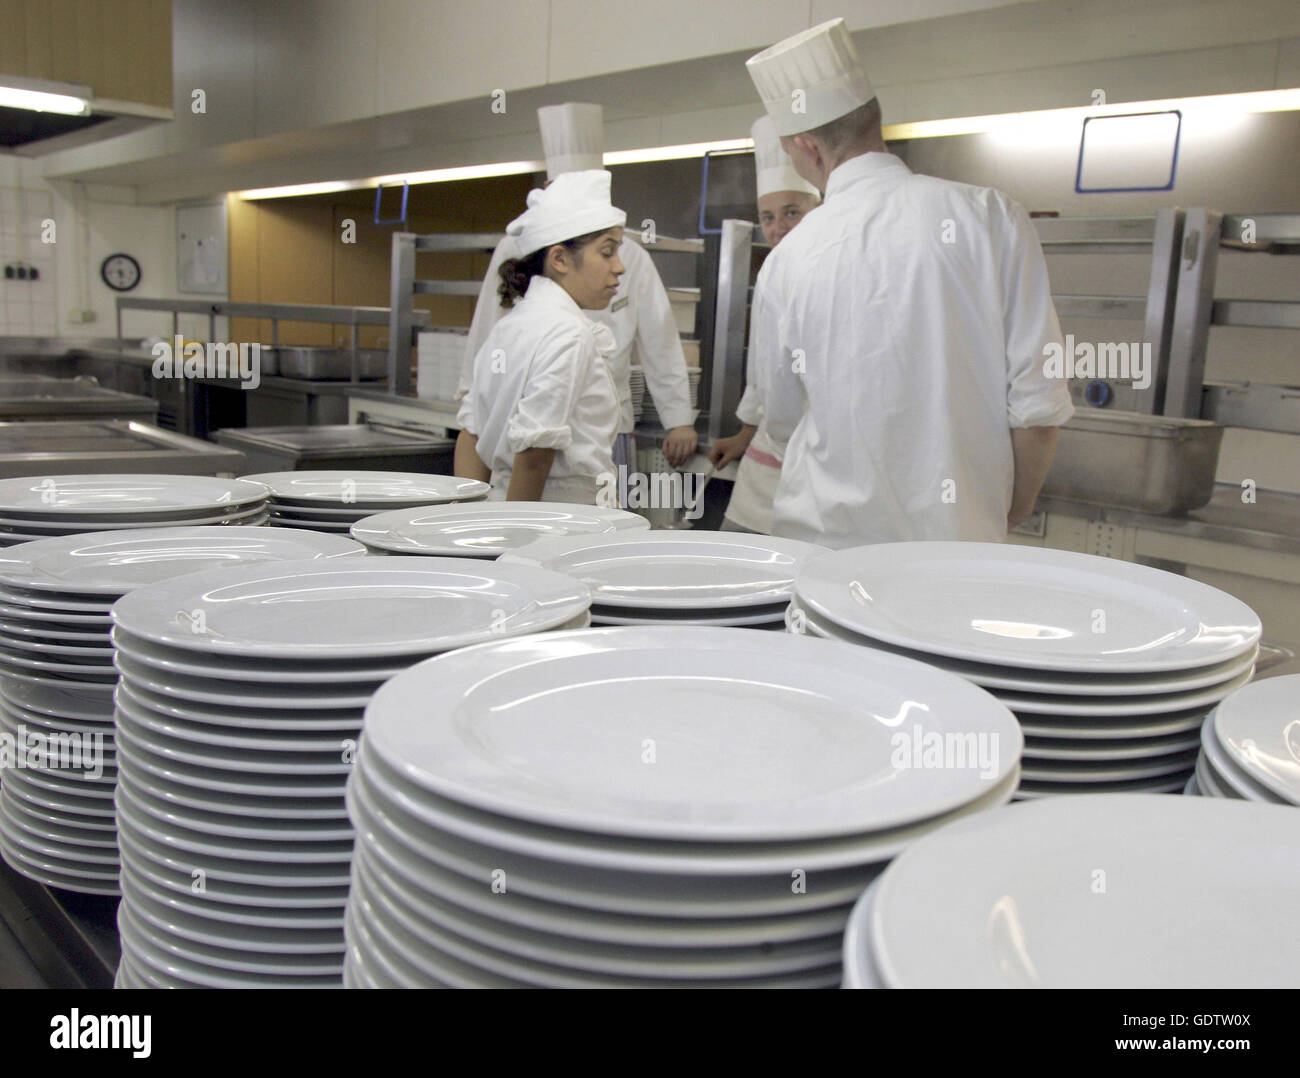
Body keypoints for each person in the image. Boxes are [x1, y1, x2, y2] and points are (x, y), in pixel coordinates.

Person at [743, 18, 1074, 549]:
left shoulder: (789, 259)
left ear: (807, 147)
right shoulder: (991, 217)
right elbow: (1038, 404)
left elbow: (780, 417)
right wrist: (1004, 507)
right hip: (952, 551)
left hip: (822, 551)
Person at [458, 103, 698, 472]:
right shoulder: (518, 250)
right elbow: (489, 333)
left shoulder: (630, 256)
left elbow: (659, 338)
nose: (615, 266)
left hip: (606, 422)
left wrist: (678, 417)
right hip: (522, 418)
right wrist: (474, 398)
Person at [454, 170, 624, 504]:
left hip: (502, 507)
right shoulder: (568, 333)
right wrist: (517, 532)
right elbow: (534, 454)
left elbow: (470, 433)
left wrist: (466, 518)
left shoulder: (509, 325)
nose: (620, 267)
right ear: (559, 258)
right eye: (607, 252)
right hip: (561, 520)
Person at [710, 115, 821, 534]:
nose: (778, 228)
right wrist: (745, 432)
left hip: (819, 456)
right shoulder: (773, 269)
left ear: (819, 207)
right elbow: (764, 367)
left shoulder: (834, 266)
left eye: (791, 212)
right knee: (738, 559)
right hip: (770, 451)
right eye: (768, 217)